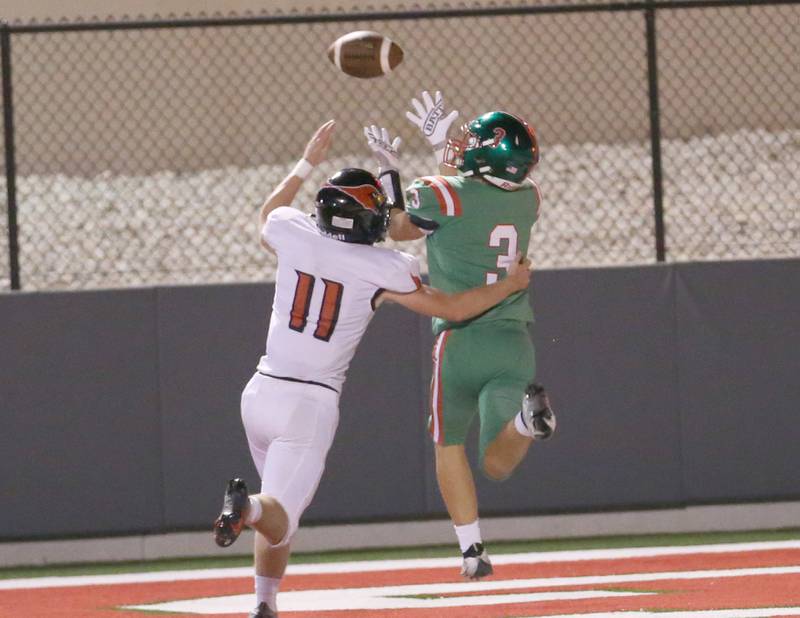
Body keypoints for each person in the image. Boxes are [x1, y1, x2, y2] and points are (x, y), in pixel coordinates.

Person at [213, 119, 532, 618]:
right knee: (275, 514)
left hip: (259, 392)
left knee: (280, 506)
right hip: (309, 403)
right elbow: (453, 307)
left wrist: (306, 159)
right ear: (366, 223)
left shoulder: (291, 231)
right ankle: (244, 508)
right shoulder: (384, 268)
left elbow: (269, 210)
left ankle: (264, 604)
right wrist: (507, 288)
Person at [364, 91, 557, 581]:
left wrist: (389, 168)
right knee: (498, 461)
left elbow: (399, 227)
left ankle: (471, 551)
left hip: (459, 338)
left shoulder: (441, 192)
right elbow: (474, 192)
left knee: (448, 444)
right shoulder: (529, 197)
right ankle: (525, 423)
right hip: (513, 339)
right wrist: (443, 145)